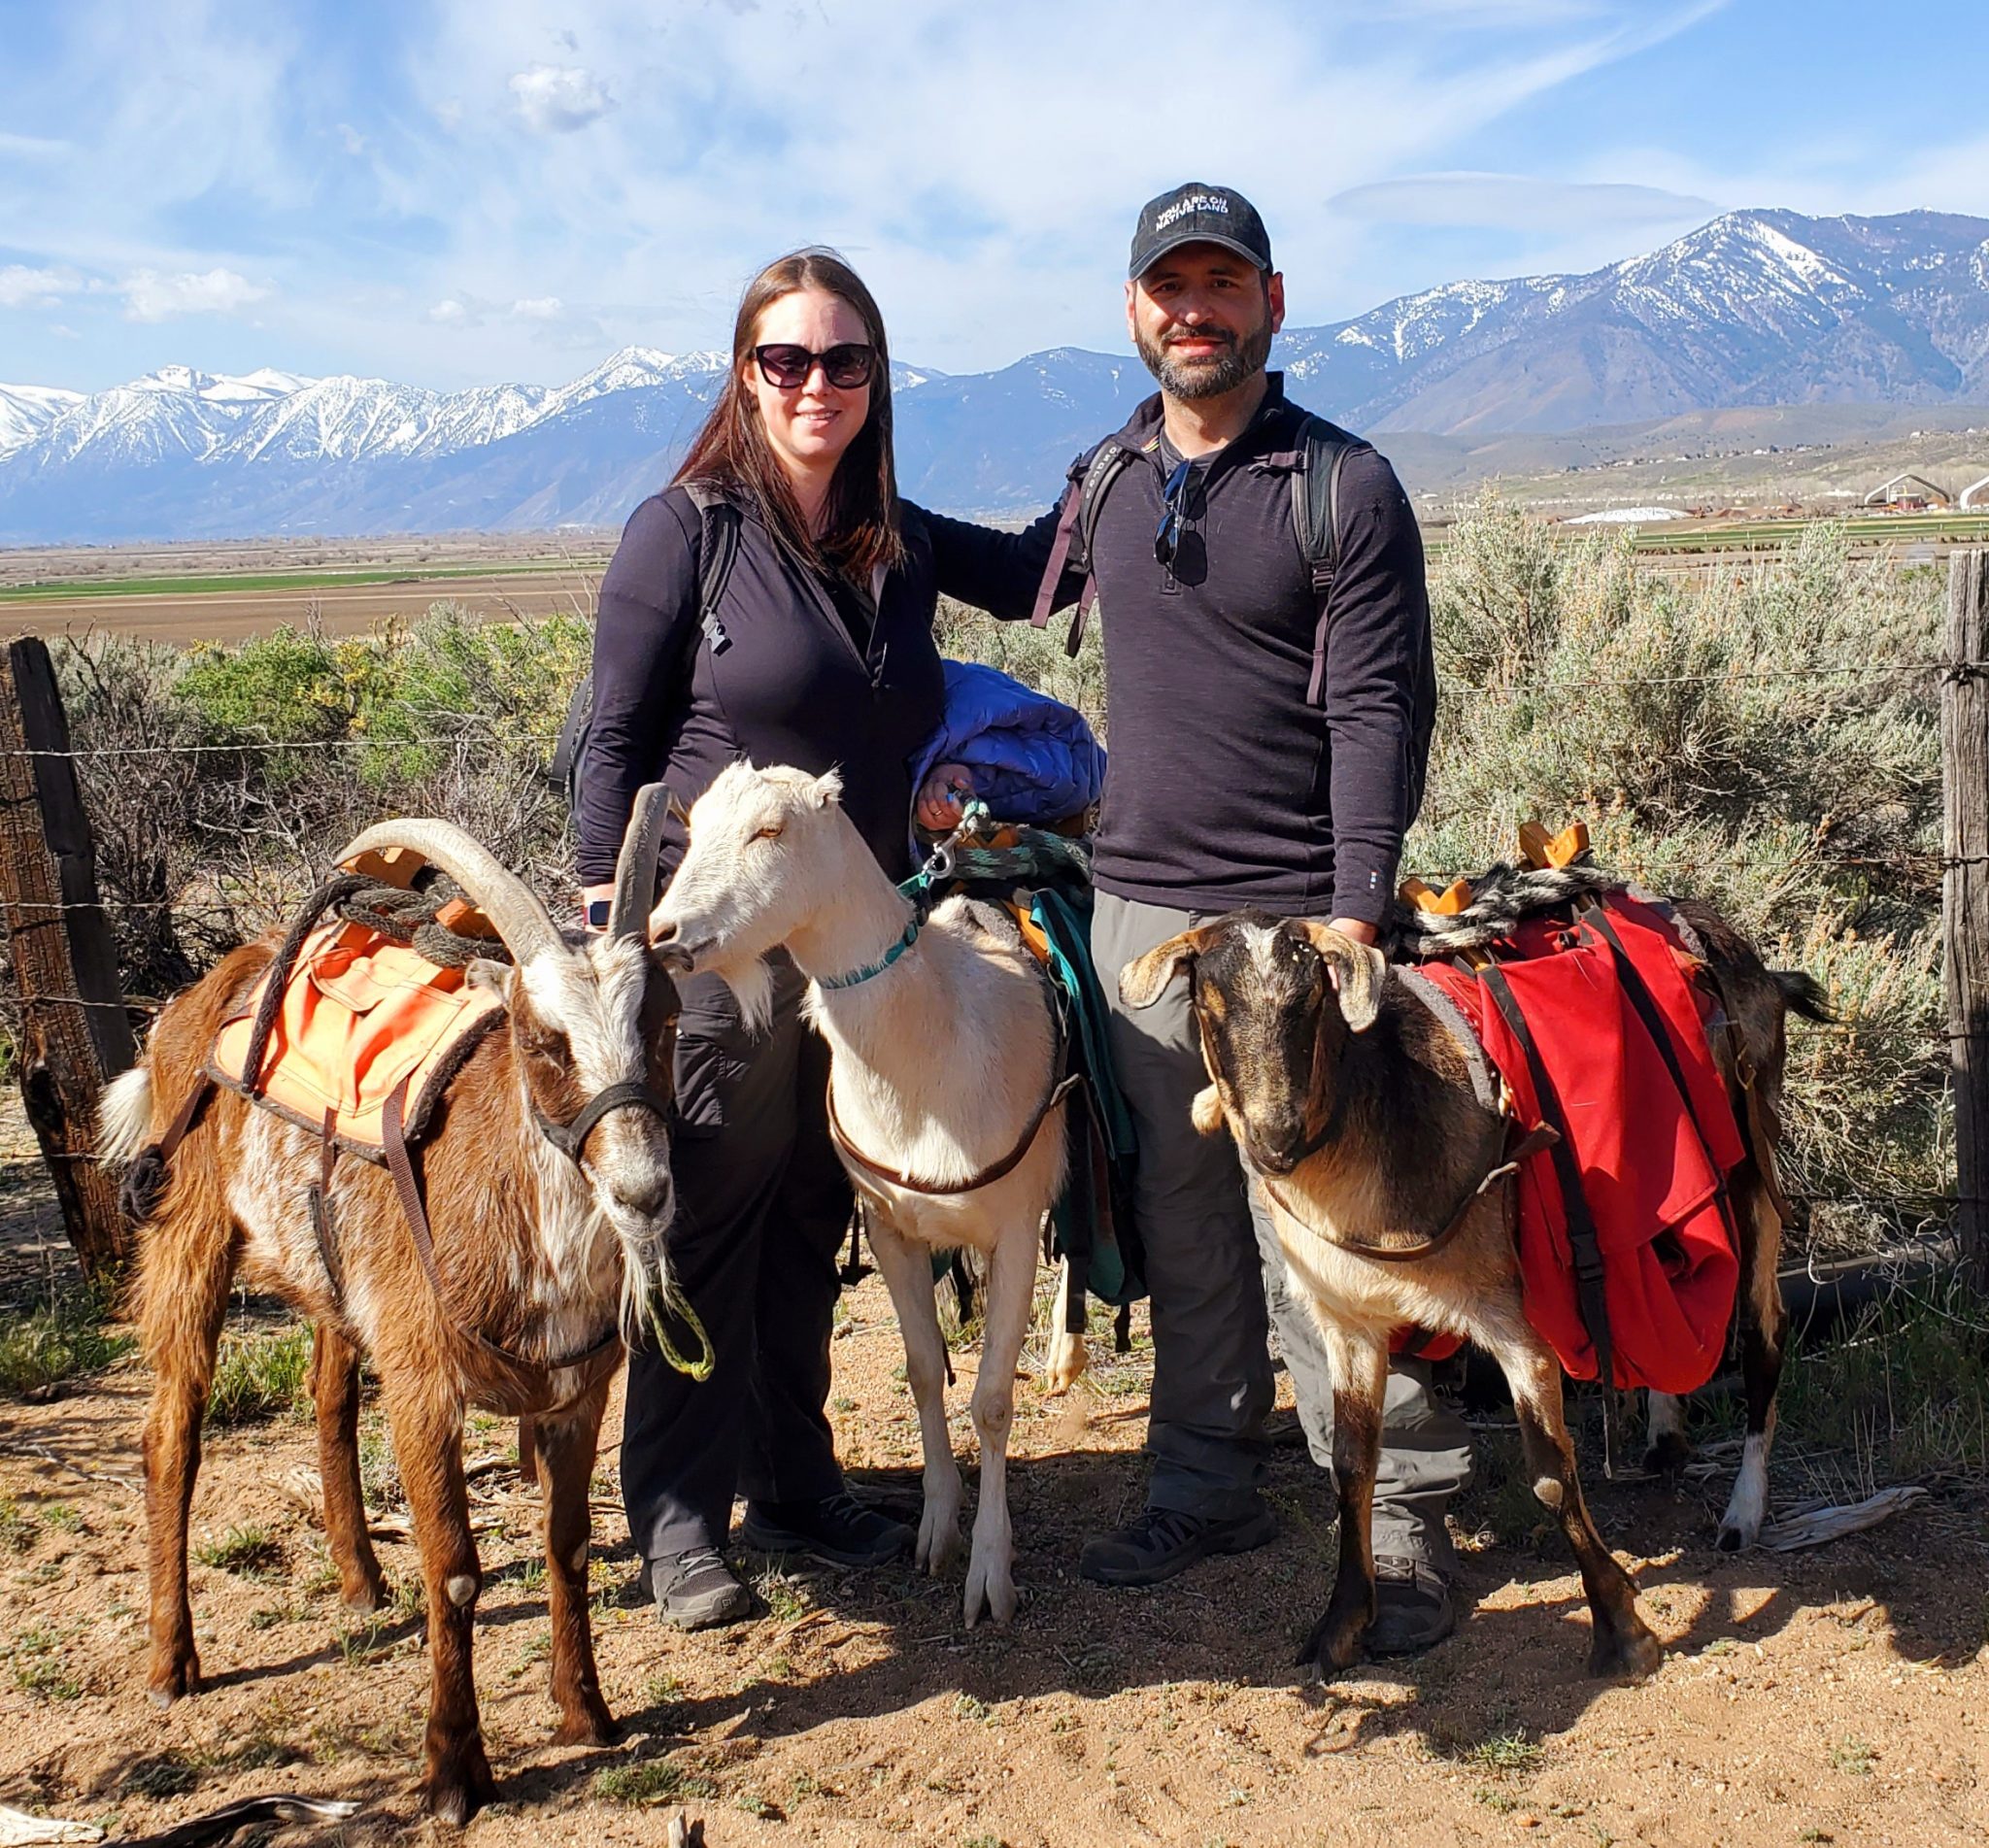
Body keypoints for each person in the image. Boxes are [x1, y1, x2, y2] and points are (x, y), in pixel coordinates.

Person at [920, 183, 1468, 1655]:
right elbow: (1023, 579)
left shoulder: (1340, 486)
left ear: (1273, 304)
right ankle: (1205, 1478)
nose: (1196, 309)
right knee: (1183, 1208)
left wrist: (1356, 913)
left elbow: (1376, 710)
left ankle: (1400, 1521)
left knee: (1336, 1226)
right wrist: (873, 515)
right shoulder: (1111, 476)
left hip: (1295, 923)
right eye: (1172, 286)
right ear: (1134, 312)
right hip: (1144, 918)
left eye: (1223, 282)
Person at [578, 249, 951, 1629]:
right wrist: (608, 919)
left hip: (851, 946)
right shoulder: (686, 531)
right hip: (719, 941)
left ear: (874, 379)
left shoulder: (891, 541)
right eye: (785, 360)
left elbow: (1041, 571)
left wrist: (1149, 451)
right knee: (715, 1209)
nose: (815, 384)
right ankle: (678, 1518)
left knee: (813, 1208)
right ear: (744, 373)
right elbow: (613, 736)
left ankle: (799, 1478)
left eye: (843, 361)